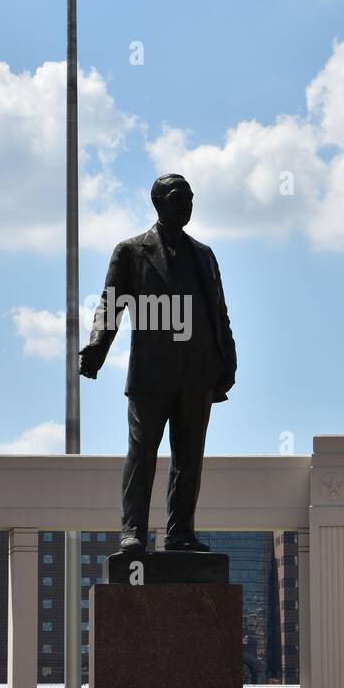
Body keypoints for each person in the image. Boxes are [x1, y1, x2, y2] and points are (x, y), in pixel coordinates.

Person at [79, 174, 236, 552]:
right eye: (180, 198)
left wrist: (227, 359)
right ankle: (133, 530)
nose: (188, 205)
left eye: (191, 198)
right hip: (152, 372)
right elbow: (110, 304)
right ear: (160, 203)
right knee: (142, 452)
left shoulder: (204, 255)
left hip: (197, 373)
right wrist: (98, 345)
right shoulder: (132, 252)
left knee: (189, 457)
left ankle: (180, 532)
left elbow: (219, 313)